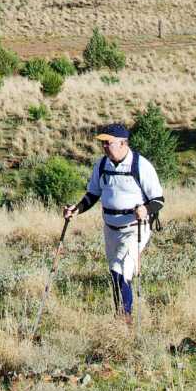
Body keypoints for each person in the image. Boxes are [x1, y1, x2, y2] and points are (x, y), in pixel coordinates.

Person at [63, 124, 163, 318]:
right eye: (103, 144)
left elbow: (158, 200)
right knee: (114, 272)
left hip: (135, 228)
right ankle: (121, 316)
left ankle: (124, 319)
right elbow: (92, 194)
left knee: (122, 271)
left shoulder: (141, 166)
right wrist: (76, 210)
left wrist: (146, 209)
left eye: (108, 143)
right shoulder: (102, 165)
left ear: (123, 143)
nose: (105, 147)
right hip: (110, 229)